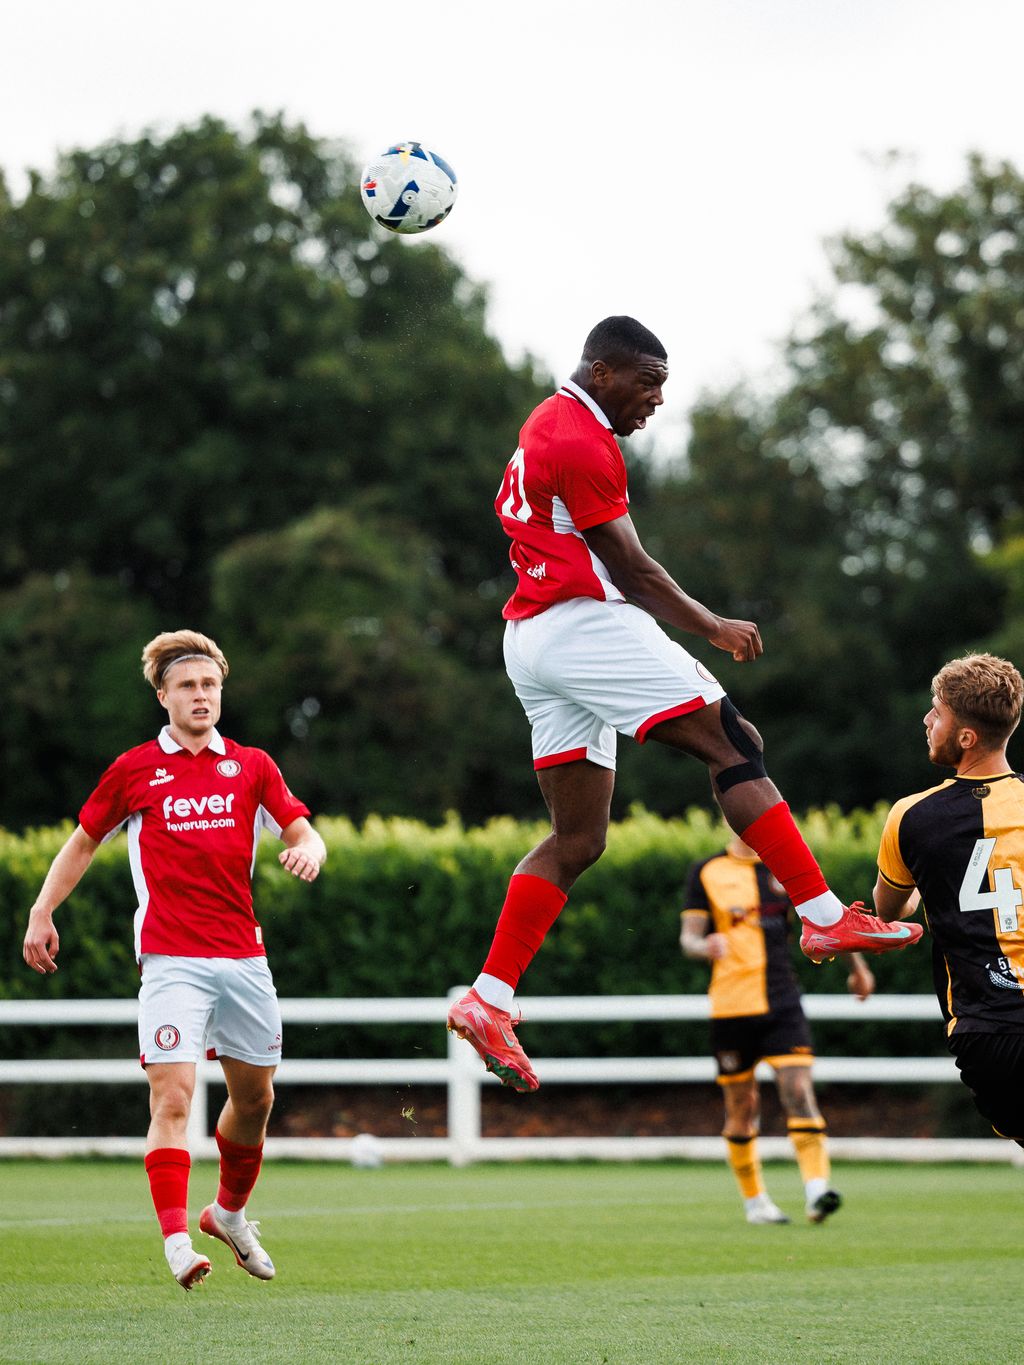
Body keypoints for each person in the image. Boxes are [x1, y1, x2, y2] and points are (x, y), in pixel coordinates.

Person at [447, 315, 921, 1092]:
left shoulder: (548, 418)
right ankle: (824, 911)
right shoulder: (582, 439)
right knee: (734, 739)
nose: (657, 399)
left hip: (529, 639)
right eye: (647, 381)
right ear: (603, 372)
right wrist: (714, 626)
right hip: (580, 626)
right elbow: (631, 570)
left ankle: (489, 997)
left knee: (577, 840)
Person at [22, 630, 326, 1291]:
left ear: (221, 692)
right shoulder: (134, 769)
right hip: (170, 959)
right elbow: (81, 844)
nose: (200, 695)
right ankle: (177, 1241)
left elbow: (300, 826)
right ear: (162, 695)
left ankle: (229, 1212)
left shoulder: (252, 765)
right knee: (174, 1097)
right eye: (187, 685)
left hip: (244, 957)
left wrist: (312, 850)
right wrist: (42, 911)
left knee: (256, 1098)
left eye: (209, 684)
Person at [681, 835, 875, 1224]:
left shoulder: (786, 865)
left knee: (799, 1089)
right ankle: (756, 1203)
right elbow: (688, 938)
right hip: (731, 1006)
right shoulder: (707, 870)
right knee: (741, 1107)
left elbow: (830, 919)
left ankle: (817, 1190)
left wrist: (859, 969)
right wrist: (704, 947)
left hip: (782, 1001)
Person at [873, 652, 1024, 1146]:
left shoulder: (912, 817)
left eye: (936, 711)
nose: (926, 719)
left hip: (989, 1030)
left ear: (966, 737)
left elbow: (890, 911)